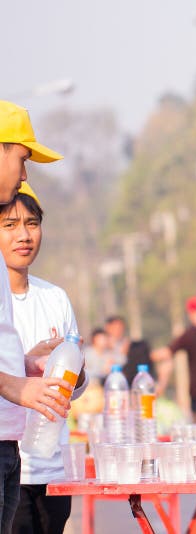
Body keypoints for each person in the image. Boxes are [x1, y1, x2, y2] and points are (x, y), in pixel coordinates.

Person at [0, 100, 73, 531]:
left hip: (9, 445)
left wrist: (24, 368)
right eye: (22, 159)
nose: (25, 174)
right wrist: (13, 382)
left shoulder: (55, 296)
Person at [0, 183, 88, 533]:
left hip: (52, 466)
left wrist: (73, 370)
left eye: (32, 223)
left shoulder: (55, 297)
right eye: (10, 224)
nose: (24, 235)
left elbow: (77, 386)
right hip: (10, 460)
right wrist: (25, 362)